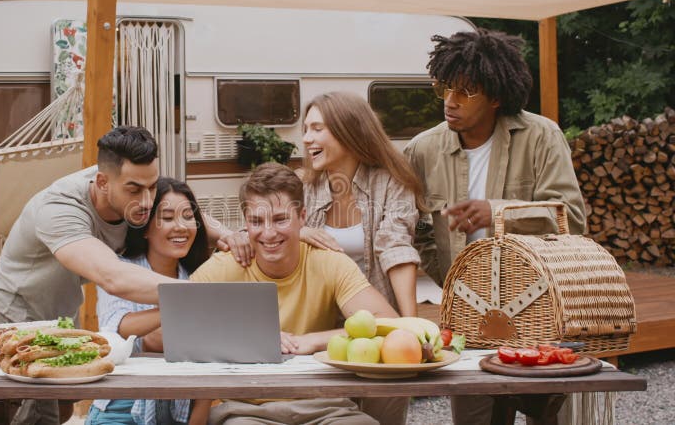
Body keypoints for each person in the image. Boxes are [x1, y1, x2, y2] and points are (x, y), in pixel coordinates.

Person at [0, 126, 232, 425]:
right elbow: (113, 277)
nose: (147, 201)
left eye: (152, 187)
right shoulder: (59, 209)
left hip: (61, 310)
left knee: (63, 408)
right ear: (102, 183)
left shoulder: (131, 183)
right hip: (18, 308)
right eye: (135, 190)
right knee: (35, 416)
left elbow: (179, 207)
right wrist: (198, 293)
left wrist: (228, 235)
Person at [403, 28, 586, 424]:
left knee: (552, 415)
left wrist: (499, 212)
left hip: (539, 306)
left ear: (496, 97)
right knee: (476, 417)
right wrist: (453, 279)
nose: (450, 101)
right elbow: (414, 228)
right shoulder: (422, 150)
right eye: (445, 88)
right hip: (469, 315)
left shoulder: (541, 136)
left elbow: (572, 217)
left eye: (466, 92)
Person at [147, 162, 398, 425]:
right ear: (245, 222)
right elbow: (155, 336)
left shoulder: (328, 262)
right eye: (256, 221)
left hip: (324, 407)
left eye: (280, 219)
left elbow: (389, 323)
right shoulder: (226, 266)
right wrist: (251, 338)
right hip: (245, 411)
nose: (268, 233)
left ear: (302, 217)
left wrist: (311, 341)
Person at [87, 177, 211, 425]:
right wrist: (181, 301)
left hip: (178, 411)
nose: (181, 227)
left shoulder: (201, 275)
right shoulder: (119, 270)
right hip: (120, 406)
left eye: (188, 217)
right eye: (167, 218)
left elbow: (210, 359)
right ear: (144, 228)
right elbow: (117, 329)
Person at [300, 91, 424, 318]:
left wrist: (410, 323)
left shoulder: (392, 183)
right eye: (306, 129)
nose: (307, 139)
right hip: (320, 319)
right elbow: (264, 230)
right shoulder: (303, 186)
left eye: (317, 129)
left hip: (374, 317)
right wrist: (298, 232)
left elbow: (396, 247)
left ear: (348, 132)